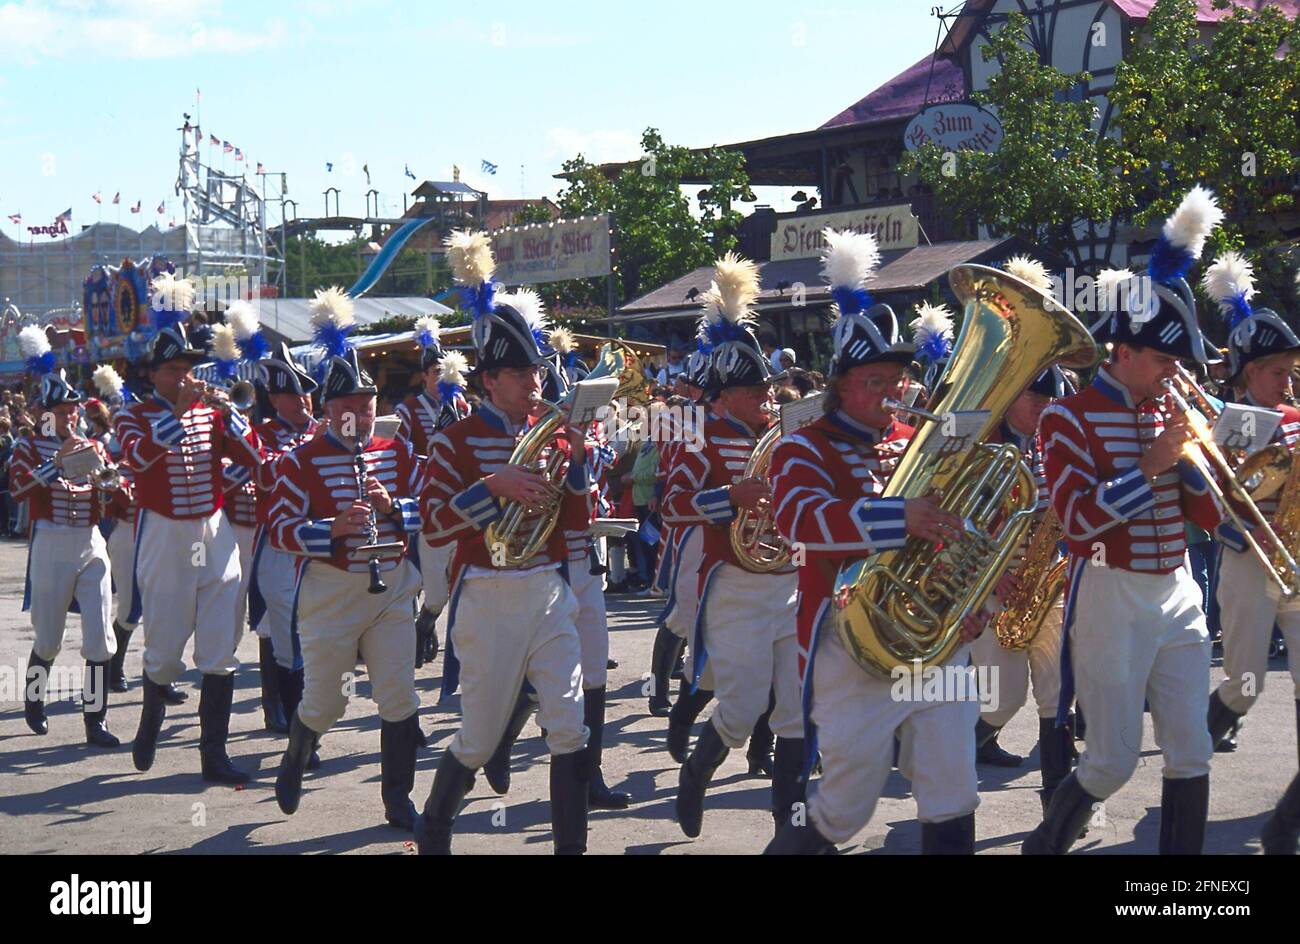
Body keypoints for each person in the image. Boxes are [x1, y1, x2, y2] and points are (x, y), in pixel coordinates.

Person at [765, 229, 986, 855]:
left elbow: (955, 527)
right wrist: (900, 518)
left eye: (896, 380)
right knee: (841, 810)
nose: (890, 394)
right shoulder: (802, 447)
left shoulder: (916, 444)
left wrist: (976, 599)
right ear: (839, 385)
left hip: (932, 639)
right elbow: (801, 524)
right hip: (849, 643)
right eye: (873, 382)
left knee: (953, 788)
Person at [1026, 186, 1226, 854]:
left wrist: (1208, 466)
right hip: (1110, 593)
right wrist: (1150, 466)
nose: (1175, 375)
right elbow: (1079, 523)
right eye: (1166, 361)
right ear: (1124, 352)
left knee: (1192, 749)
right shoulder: (1067, 418)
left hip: (1177, 586)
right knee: (1110, 762)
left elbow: (1206, 513)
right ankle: (1047, 841)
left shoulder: (1171, 409)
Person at [414, 231, 593, 855]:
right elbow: (434, 525)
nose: (533, 383)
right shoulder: (456, 441)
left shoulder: (552, 431)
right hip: (486, 594)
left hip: (546, 586)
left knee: (570, 726)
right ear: (489, 380)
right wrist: (491, 486)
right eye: (519, 374)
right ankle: (433, 825)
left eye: (536, 371)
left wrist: (577, 467)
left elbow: (575, 524)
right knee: (480, 738)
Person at [270, 288, 425, 830]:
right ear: (329, 410)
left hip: (392, 588)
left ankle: (397, 799)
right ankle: (294, 757)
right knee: (326, 704)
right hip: (330, 593)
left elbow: (432, 508)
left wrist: (395, 507)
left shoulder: (397, 450)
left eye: (368, 403)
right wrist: (332, 528)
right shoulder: (299, 460)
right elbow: (281, 530)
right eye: (349, 405)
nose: (361, 412)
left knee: (398, 696)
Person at [662, 251, 803, 840]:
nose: (766, 398)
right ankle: (696, 772)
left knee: (797, 713)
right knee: (742, 710)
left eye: (767, 388)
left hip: (790, 582)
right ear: (724, 396)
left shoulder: (786, 435)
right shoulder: (698, 434)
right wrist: (730, 496)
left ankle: (789, 832)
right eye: (754, 390)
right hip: (735, 585)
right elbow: (671, 506)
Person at [115, 273, 265, 783]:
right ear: (154, 374)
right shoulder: (134, 416)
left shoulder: (212, 412)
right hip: (165, 534)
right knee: (164, 645)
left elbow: (255, 461)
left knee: (220, 645)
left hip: (215, 530)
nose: (183, 377)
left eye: (187, 369)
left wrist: (234, 416)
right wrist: (179, 413)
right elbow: (136, 461)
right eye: (173, 369)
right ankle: (151, 719)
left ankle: (213, 755)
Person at [1200, 253, 1300, 762]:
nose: (1287, 382)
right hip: (1248, 561)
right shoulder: (1232, 422)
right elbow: (1217, 497)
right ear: (1250, 374)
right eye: (1278, 373)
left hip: (1296, 562)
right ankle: (1201, 737)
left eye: (1290, 372)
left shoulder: (1296, 417)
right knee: (1244, 683)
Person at [11, 326, 125, 748]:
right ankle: (34, 698)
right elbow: (20, 489)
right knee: (49, 636)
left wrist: (107, 480)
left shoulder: (93, 445)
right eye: (62, 412)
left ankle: (95, 721)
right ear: (46, 413)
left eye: (73, 411)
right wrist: (56, 464)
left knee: (99, 637)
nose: (70, 418)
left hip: (91, 541)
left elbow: (118, 489)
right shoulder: (29, 446)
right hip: (51, 541)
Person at [250, 342, 322, 736]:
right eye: (293, 395)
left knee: (313, 624)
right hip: (278, 540)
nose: (303, 401)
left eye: (306, 392)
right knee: (277, 626)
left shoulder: (321, 431)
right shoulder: (261, 434)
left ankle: (304, 709)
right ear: (275, 399)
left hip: (319, 539)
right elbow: (263, 476)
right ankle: (277, 706)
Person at [395, 315, 470, 667]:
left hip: (460, 498)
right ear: (424, 375)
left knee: (461, 577)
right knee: (428, 579)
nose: (440, 379)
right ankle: (423, 627)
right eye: (434, 373)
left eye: (445, 372)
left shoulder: (464, 408)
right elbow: (399, 452)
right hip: (425, 496)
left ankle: (454, 646)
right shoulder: (407, 410)